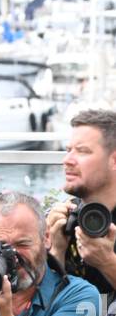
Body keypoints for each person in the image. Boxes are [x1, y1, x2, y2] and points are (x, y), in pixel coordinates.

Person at [47, 109, 116, 296]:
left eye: (82, 151)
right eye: (68, 150)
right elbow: (45, 306)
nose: (67, 160)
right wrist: (56, 252)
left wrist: (107, 262)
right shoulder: (64, 218)